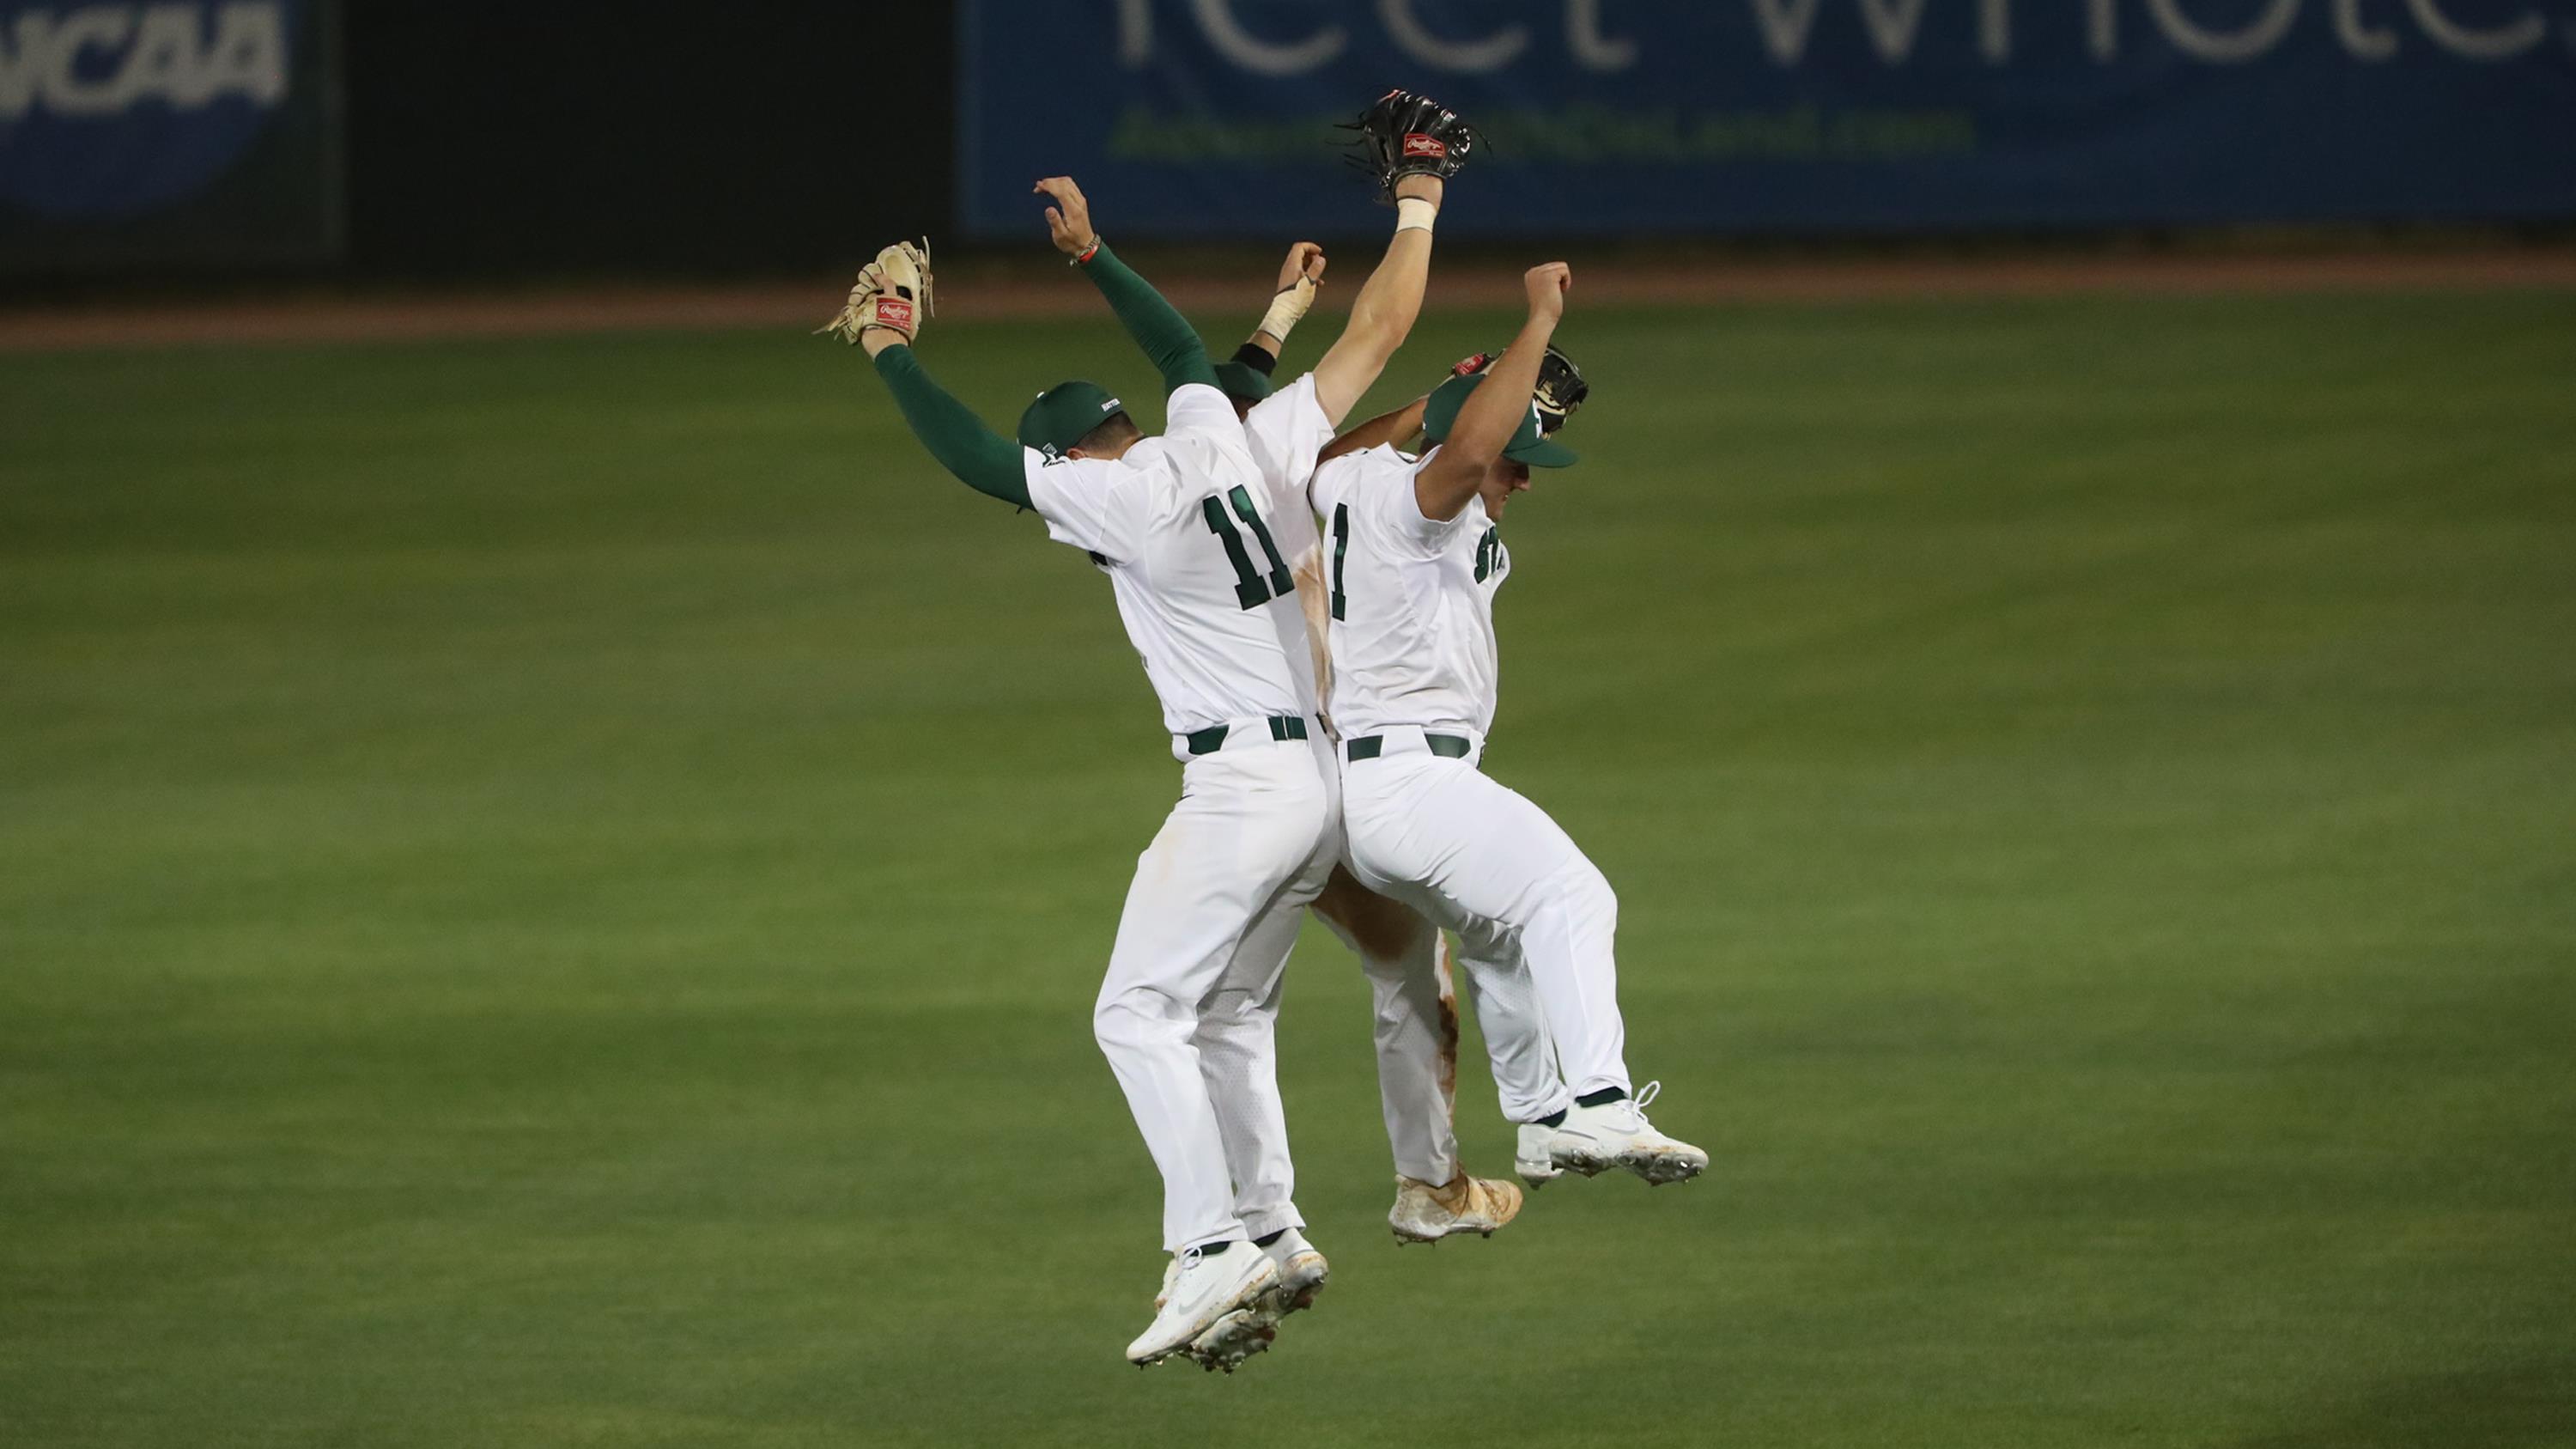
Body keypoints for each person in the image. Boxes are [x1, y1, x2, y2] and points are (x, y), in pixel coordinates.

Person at [823, 204, 1334, 1370]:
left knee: (1135, 1011)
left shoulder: (1115, 495)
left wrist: (888, 346)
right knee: (1228, 1012)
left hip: (1241, 787)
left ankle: (1213, 1245)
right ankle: (1274, 1224)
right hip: (1313, 780)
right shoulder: (1199, 441)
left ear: (1074, 456)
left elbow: (971, 458)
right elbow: (1194, 361)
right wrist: (1099, 257)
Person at [1306, 262, 1711, 1189]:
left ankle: (1540, 1121)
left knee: (1496, 940)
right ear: (1470, 454)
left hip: (1387, 796)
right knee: (1573, 895)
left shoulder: (1363, 486)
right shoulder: (1417, 513)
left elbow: (1333, 458)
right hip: (1413, 787)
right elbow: (1462, 454)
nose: (1527, 479)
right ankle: (1602, 1103)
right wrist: (1536, 324)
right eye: (1518, 459)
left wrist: (1451, 391)